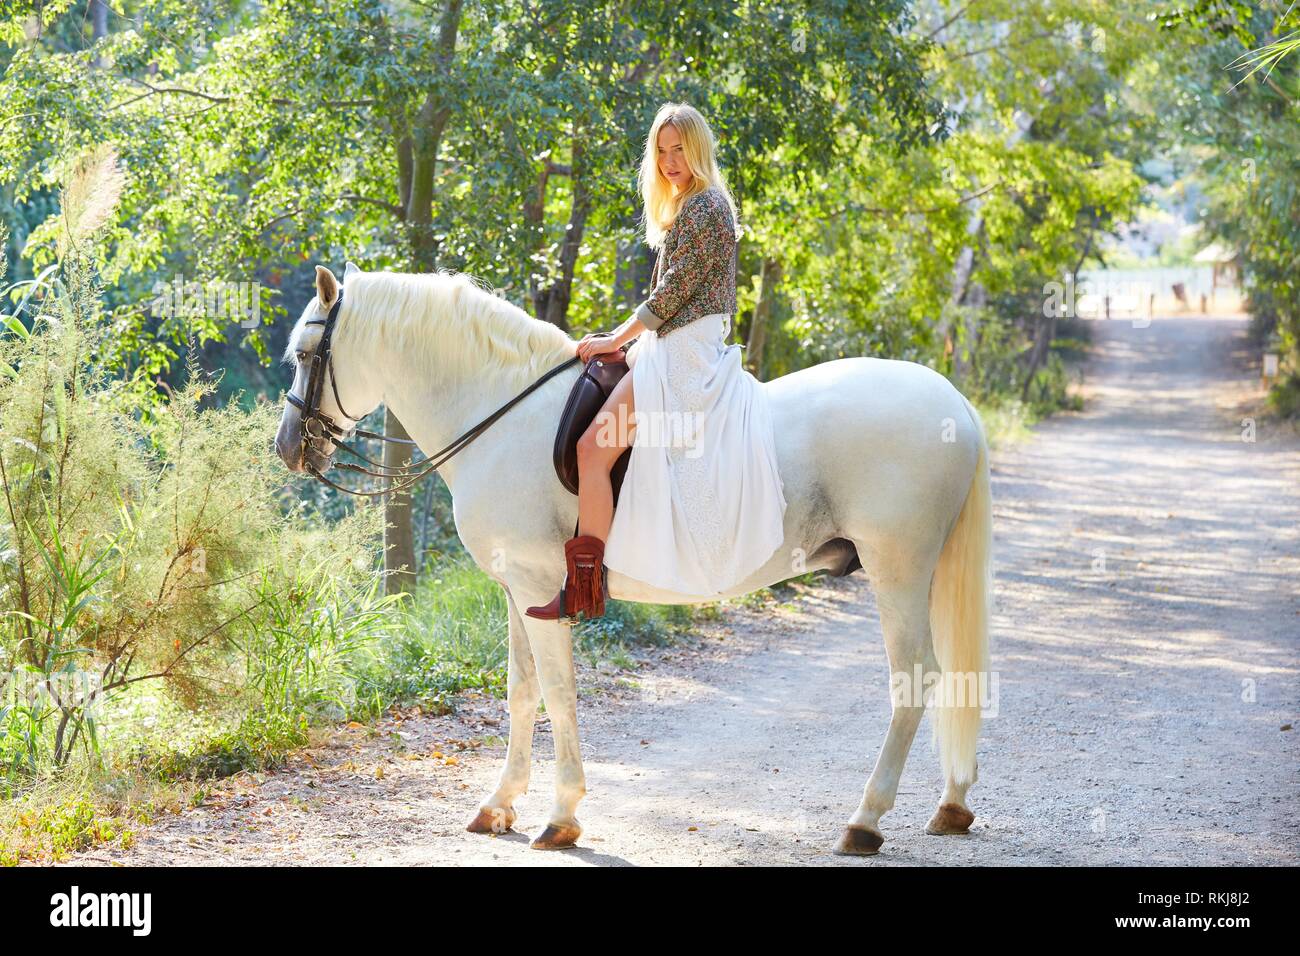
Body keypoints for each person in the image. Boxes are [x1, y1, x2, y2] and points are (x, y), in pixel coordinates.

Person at [526, 102, 788, 622]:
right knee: (595, 450)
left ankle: (584, 590)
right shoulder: (690, 205)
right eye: (662, 151)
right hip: (671, 345)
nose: (670, 161)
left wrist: (615, 339)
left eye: (679, 150)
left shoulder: (707, 205)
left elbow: (673, 292)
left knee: (591, 451)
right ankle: (588, 583)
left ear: (697, 150)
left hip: (683, 352)